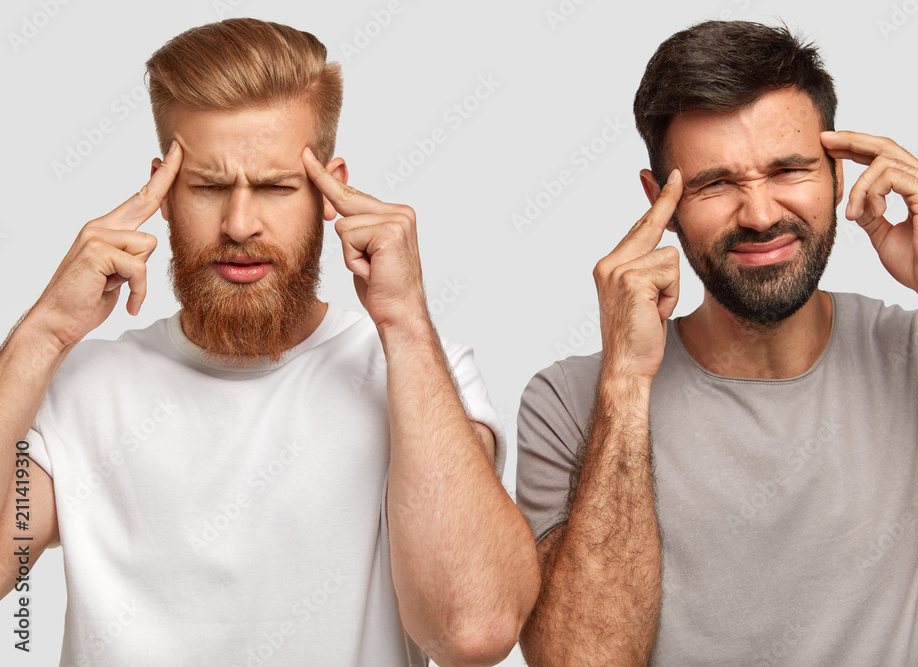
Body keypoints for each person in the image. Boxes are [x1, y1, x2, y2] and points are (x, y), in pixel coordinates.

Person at [0, 17, 538, 666]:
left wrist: (404, 322)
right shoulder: (82, 385)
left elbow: (472, 630)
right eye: (209, 186)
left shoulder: (416, 367)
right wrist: (41, 334)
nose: (240, 224)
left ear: (328, 190)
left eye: (277, 187)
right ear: (162, 193)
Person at [515, 19, 918, 666]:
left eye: (789, 169)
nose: (761, 213)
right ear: (658, 200)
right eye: (717, 183)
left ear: (837, 174)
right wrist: (626, 383)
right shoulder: (569, 401)